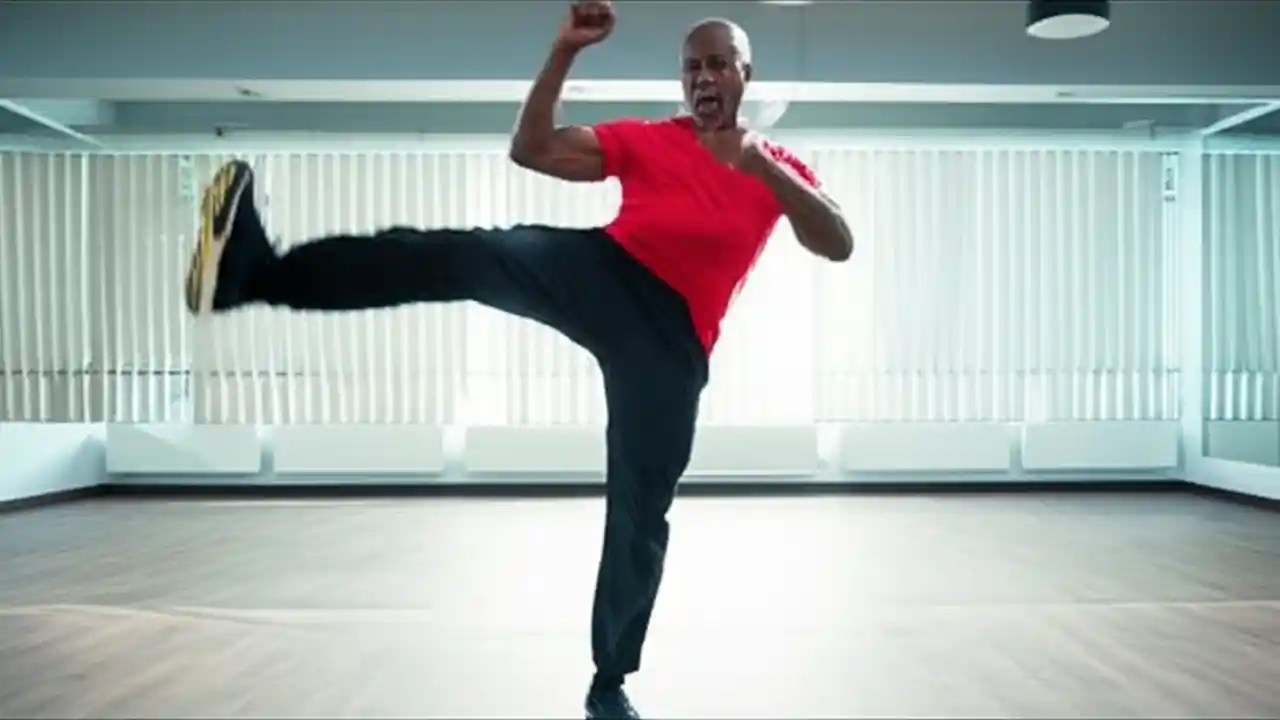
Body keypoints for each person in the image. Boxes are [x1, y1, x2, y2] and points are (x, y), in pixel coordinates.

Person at [183, 1, 853, 717]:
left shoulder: (780, 166)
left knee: (641, 509)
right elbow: (532, 150)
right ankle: (253, 274)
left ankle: (609, 680)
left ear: (745, 72)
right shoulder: (654, 140)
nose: (704, 77)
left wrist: (765, 170)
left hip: (674, 340)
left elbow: (837, 240)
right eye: (692, 67)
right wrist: (565, 51)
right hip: (607, 271)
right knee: (471, 253)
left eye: (719, 63)